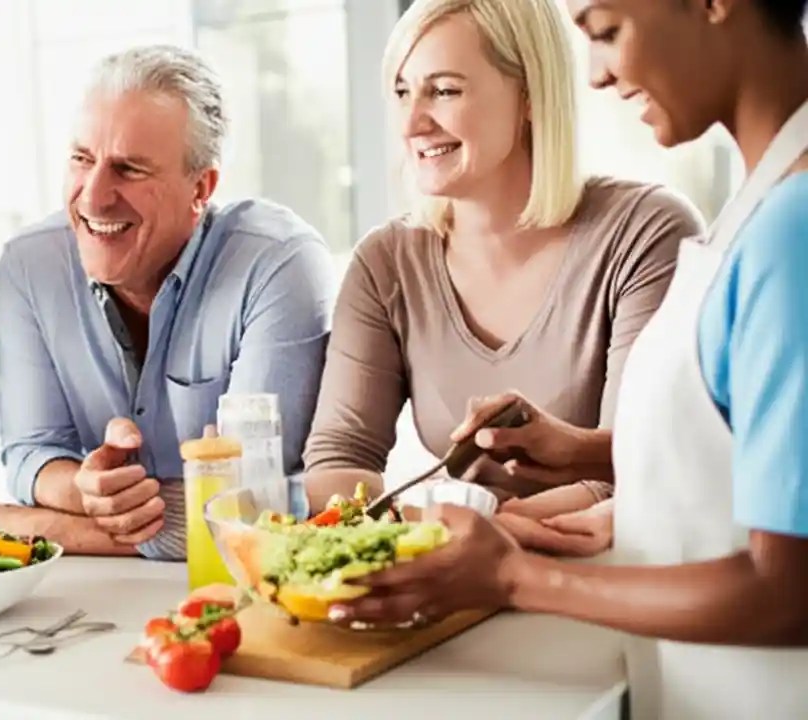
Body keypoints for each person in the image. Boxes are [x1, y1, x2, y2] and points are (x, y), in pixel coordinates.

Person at [333, 1, 808, 717]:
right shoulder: (762, 207)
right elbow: (743, 457)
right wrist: (588, 454)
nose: (594, 76)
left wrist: (514, 577)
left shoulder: (792, 231)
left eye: (608, 32)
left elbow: (790, 592)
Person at [300, 0, 703, 517]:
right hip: (457, 586)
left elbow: (630, 474)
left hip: (607, 581)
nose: (413, 123)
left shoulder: (645, 233)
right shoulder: (386, 262)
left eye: (444, 90)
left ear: (530, 94)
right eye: (402, 92)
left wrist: (462, 534)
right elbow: (341, 456)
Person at [0, 45, 336, 558]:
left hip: (249, 592)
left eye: (129, 170)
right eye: (82, 159)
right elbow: (31, 453)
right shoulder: (30, 265)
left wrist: (47, 529)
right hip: (99, 596)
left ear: (200, 187)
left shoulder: (278, 264)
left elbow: (250, 506)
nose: (93, 198)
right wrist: (87, 493)